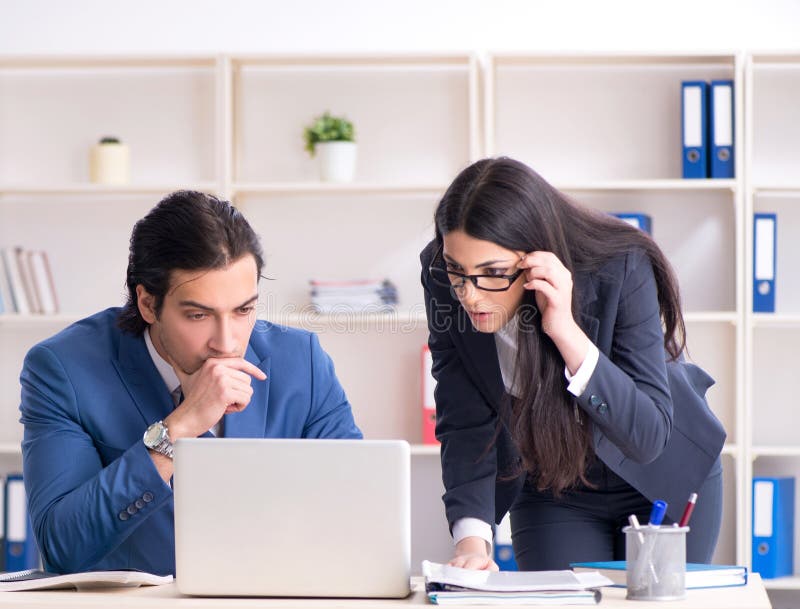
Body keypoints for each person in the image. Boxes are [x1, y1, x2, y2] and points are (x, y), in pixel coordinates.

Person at [20, 190, 362, 576]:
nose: (227, 342)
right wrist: (177, 430)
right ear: (148, 304)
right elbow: (62, 548)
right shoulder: (64, 370)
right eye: (199, 315)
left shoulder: (302, 362)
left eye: (244, 310)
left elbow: (356, 509)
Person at [420, 157, 726, 571]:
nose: (470, 295)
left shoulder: (619, 264)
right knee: (558, 597)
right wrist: (472, 545)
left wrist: (565, 330)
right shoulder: (443, 274)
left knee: (658, 597)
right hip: (554, 480)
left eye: (493, 272)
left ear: (533, 260)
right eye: (458, 271)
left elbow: (647, 436)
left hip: (662, 473)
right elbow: (463, 416)